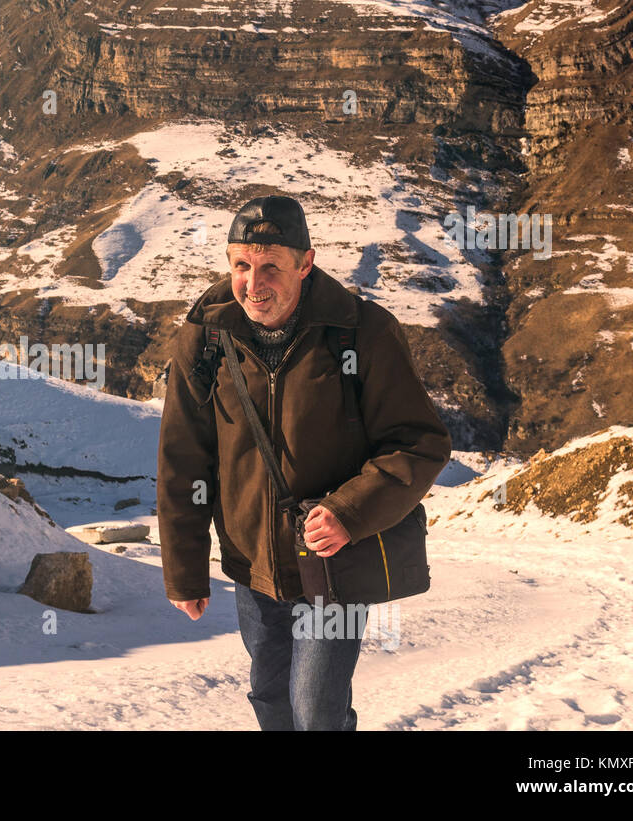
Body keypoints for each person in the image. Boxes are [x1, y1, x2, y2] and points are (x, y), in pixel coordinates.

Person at [156, 195, 452, 730]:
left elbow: (419, 441)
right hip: (251, 562)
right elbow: (183, 455)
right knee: (270, 701)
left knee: (315, 709)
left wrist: (350, 511)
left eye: (271, 266)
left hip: (332, 564)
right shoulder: (206, 336)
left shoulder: (362, 332)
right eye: (241, 266)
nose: (253, 282)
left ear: (306, 263)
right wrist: (184, 570)